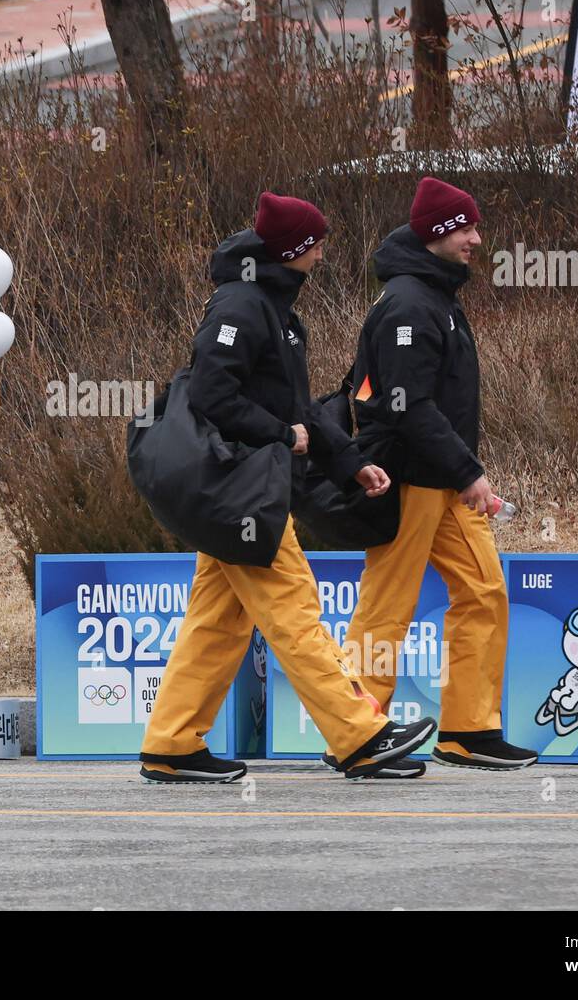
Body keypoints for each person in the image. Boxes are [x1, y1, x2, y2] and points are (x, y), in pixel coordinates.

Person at [138, 191, 437, 782]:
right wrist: (280, 435)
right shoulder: (240, 307)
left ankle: (171, 742)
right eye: (318, 244)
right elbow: (210, 395)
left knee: (216, 621)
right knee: (296, 609)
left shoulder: (274, 309)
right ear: (295, 249)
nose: (324, 255)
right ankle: (359, 735)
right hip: (242, 492)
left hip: (242, 491)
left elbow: (300, 406)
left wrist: (349, 461)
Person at [340, 177, 537, 770]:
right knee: (386, 608)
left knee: (483, 592)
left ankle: (469, 730)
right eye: (467, 229)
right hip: (407, 480)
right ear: (438, 234)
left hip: (446, 480)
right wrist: (469, 470)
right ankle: (357, 732)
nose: (478, 239)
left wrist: (462, 473)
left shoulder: (436, 296)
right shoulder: (409, 305)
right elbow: (406, 405)